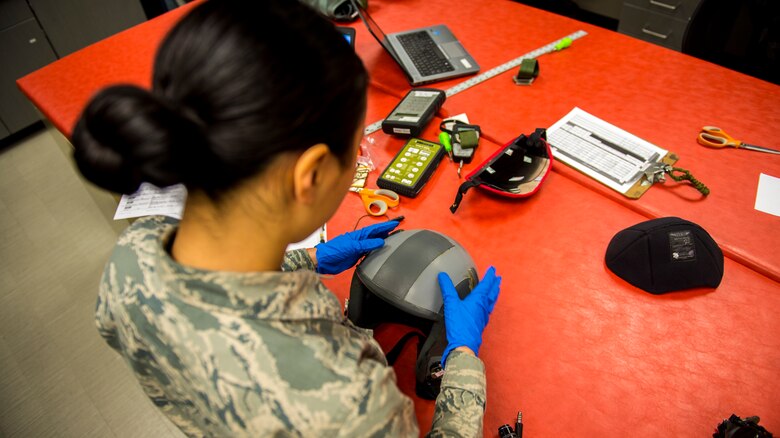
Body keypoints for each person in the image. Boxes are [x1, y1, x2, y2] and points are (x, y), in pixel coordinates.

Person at [72, 0, 502, 436]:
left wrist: (308, 258)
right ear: (311, 175)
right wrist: (463, 360)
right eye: (355, 148)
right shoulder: (348, 405)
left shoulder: (133, 253)